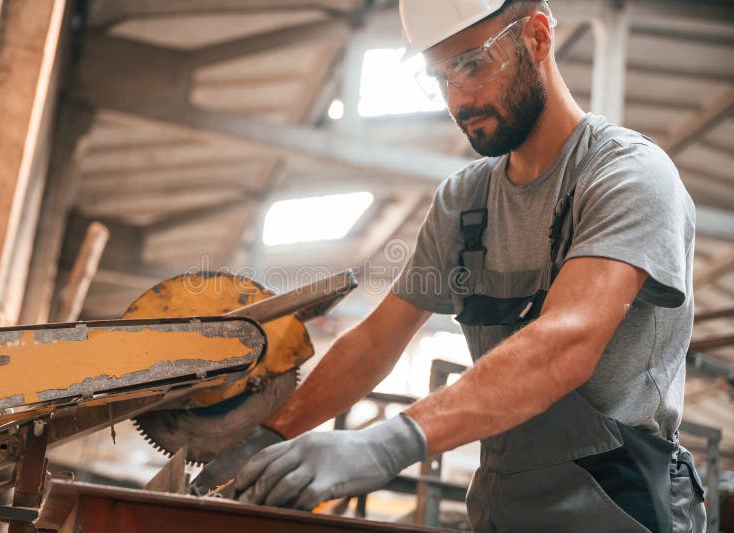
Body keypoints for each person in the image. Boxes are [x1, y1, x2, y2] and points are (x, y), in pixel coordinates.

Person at [194, 0, 706, 530]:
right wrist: (266, 439)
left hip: (622, 504)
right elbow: (375, 341)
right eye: (439, 77)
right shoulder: (464, 202)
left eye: (472, 64)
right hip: (502, 506)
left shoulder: (627, 175)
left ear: (536, 37)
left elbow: (567, 340)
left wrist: (386, 444)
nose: (458, 99)